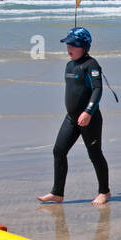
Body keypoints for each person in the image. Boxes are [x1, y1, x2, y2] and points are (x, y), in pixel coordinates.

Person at [37, 27, 110, 206]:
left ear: (84, 46)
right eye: (67, 44)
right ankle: (57, 193)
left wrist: (88, 112)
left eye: (73, 45)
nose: (68, 48)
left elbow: (97, 90)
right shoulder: (69, 65)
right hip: (71, 118)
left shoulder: (91, 65)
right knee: (59, 151)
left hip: (89, 118)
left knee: (94, 153)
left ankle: (104, 192)